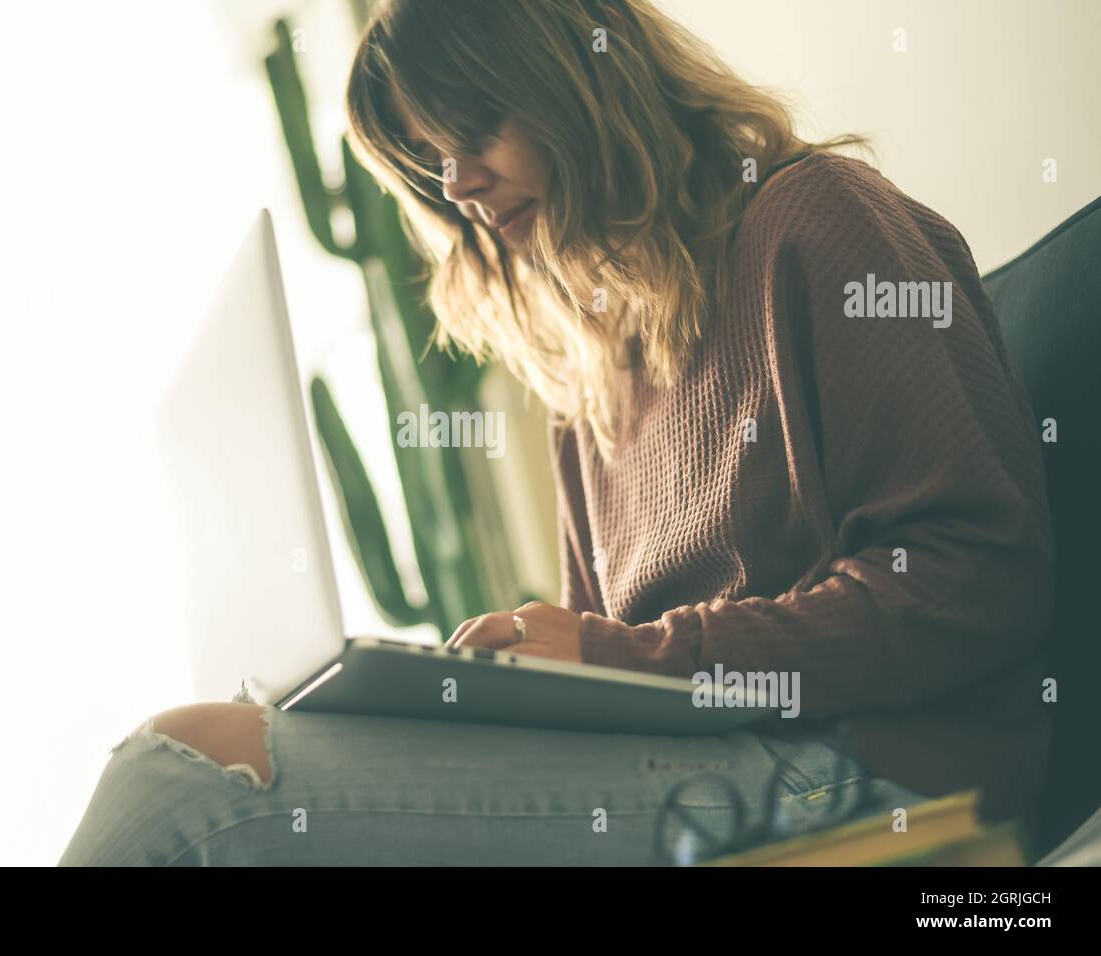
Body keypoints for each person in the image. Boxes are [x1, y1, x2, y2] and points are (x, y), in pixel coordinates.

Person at [58, 0, 1052, 866]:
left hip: (871, 780)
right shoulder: (588, 379)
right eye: (430, 157)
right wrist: (478, 687)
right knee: (216, 736)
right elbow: (621, 674)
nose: (457, 185)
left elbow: (975, 580)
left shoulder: (815, 224)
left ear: (581, 75)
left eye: (476, 128)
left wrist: (623, 657)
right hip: (714, 759)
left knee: (194, 786)